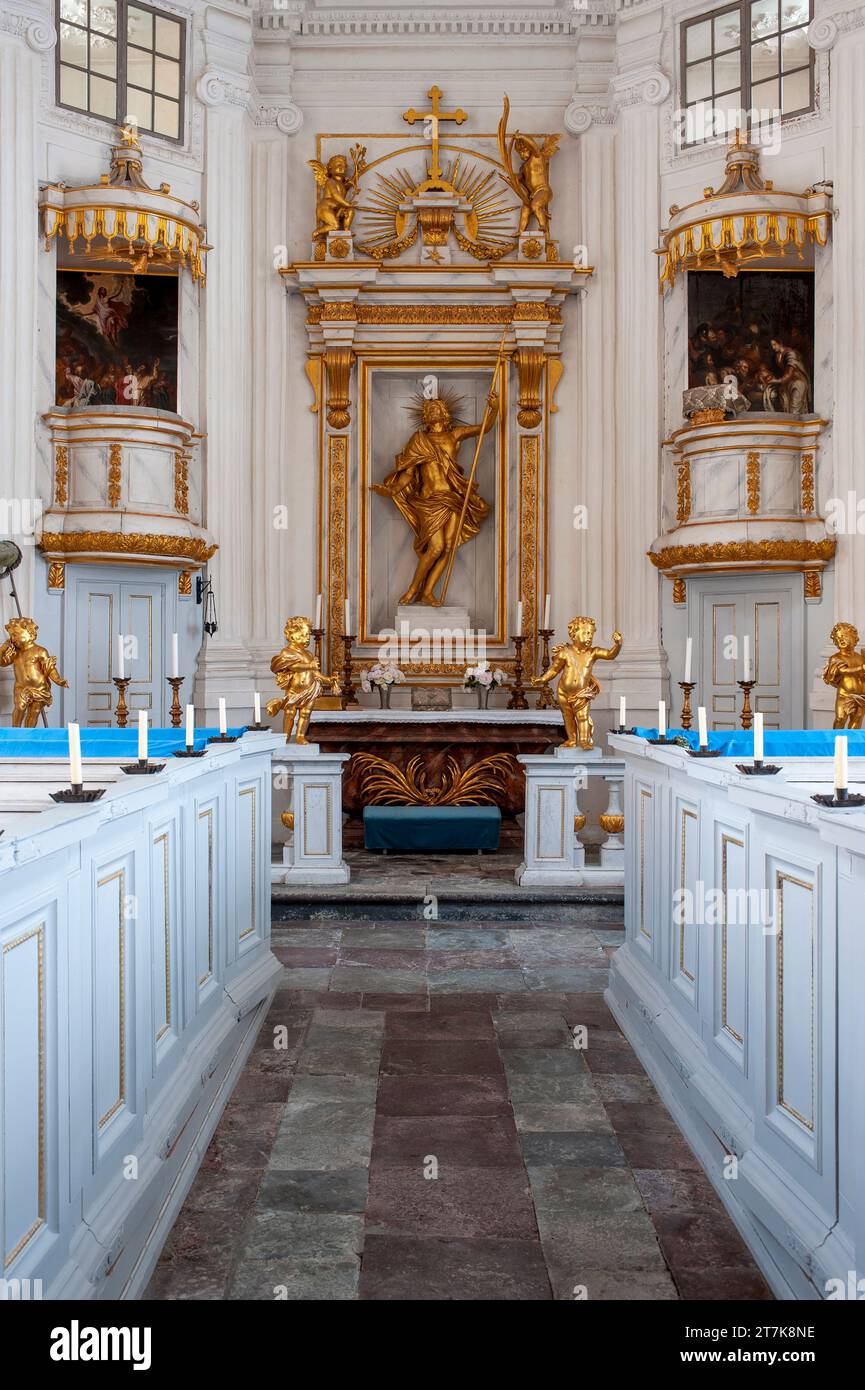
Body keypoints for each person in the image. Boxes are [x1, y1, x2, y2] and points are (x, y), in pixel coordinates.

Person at [371, 392, 496, 607]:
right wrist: (392, 491)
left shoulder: (454, 435)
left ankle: (427, 592)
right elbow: (408, 474)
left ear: (444, 413)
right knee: (436, 547)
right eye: (429, 410)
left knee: (448, 547)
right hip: (428, 500)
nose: (432, 411)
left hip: (453, 497)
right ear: (425, 417)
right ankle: (412, 589)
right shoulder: (418, 440)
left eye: (436, 408)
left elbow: (485, 427)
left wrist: (494, 408)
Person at [532, 616, 623, 750]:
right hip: (563, 692)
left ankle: (584, 741)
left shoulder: (592, 653)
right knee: (567, 716)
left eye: (591, 634)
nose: (589, 637)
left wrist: (618, 644)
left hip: (582, 693)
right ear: (574, 634)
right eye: (586, 633)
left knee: (583, 717)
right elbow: (555, 669)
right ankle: (571, 740)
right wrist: (543, 679)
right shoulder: (565, 652)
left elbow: (610, 655)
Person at [266, 616, 342, 743]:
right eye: (303, 635)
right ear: (291, 634)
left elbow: (315, 673)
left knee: (306, 713)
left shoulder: (309, 654)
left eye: (308, 636)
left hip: (310, 689)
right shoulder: (287, 652)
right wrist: (309, 665)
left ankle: (300, 736)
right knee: (290, 713)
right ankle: (286, 736)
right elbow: (292, 666)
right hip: (294, 691)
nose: (307, 639)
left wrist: (328, 679)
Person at [0, 617, 69, 727]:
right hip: (21, 687)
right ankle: (15, 732)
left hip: (40, 688)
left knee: (34, 712)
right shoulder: (14, 652)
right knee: (19, 707)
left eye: (15, 635)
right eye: (11, 636)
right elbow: (2, 662)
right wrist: (3, 649)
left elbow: (50, 668)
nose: (12, 639)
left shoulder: (40, 651)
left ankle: (28, 733)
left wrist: (58, 680)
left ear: (29, 633)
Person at [822, 621, 865, 730]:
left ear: (854, 638)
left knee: (857, 720)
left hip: (861, 695)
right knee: (840, 718)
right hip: (844, 695)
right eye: (838, 637)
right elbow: (843, 671)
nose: (841, 639)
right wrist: (861, 668)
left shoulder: (860, 657)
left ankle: (851, 743)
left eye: (845, 636)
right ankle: (836, 741)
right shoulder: (836, 658)